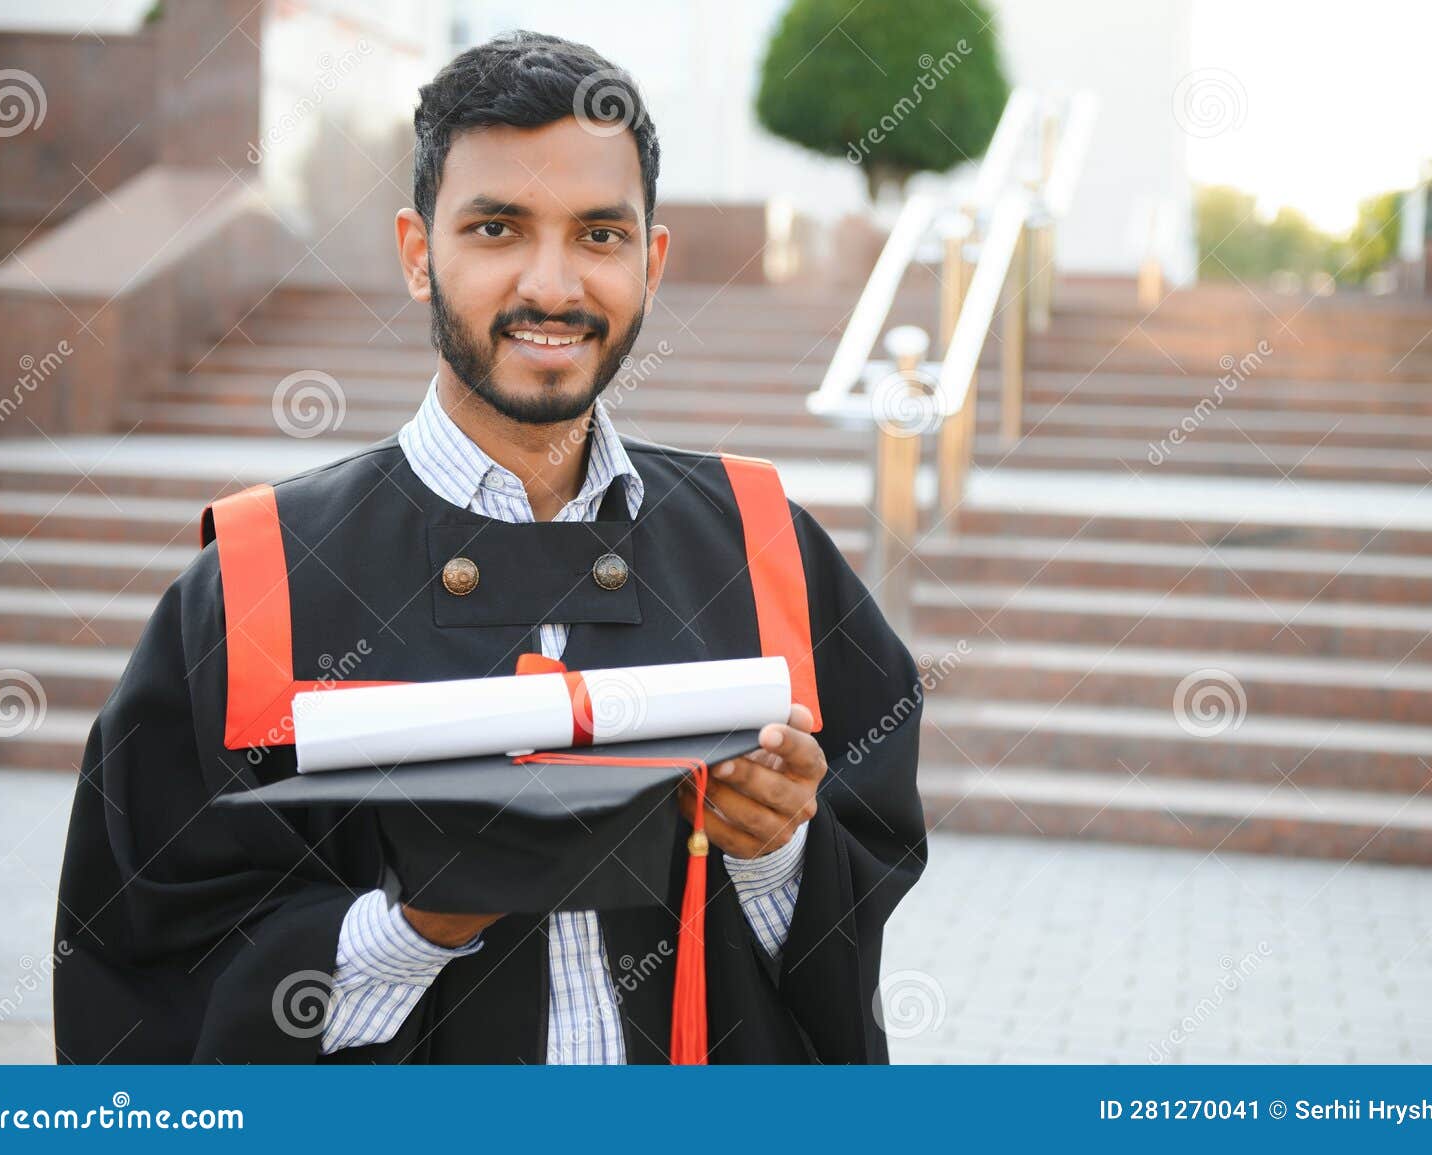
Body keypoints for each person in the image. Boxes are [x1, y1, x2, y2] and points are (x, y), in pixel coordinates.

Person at [53, 30, 925, 1064]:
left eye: (599, 236)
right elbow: (149, 957)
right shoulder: (258, 583)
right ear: (421, 254)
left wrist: (778, 854)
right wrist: (415, 926)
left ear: (650, 263)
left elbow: (855, 892)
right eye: (498, 228)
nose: (552, 286)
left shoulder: (763, 547)